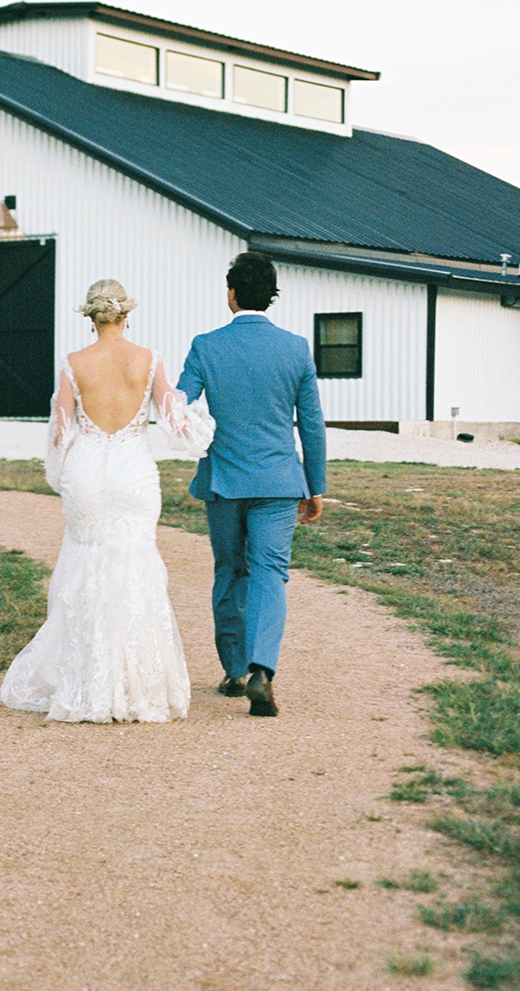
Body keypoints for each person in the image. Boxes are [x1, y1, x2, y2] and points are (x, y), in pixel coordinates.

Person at [0, 279, 214, 723]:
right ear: (125, 315)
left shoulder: (73, 364)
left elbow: (60, 432)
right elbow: (176, 426)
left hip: (88, 473)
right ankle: (138, 688)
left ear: (92, 318)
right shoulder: (148, 360)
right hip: (133, 473)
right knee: (136, 566)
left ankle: (85, 685)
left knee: (84, 571)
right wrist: (204, 422)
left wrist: (63, 478)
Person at [178, 252, 326, 718]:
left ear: (232, 293)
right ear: (272, 296)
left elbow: (180, 403)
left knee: (230, 571)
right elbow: (313, 425)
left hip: (223, 480)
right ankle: (264, 669)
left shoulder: (206, 346)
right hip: (280, 482)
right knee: (270, 572)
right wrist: (315, 485)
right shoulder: (297, 348)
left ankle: (235, 670)